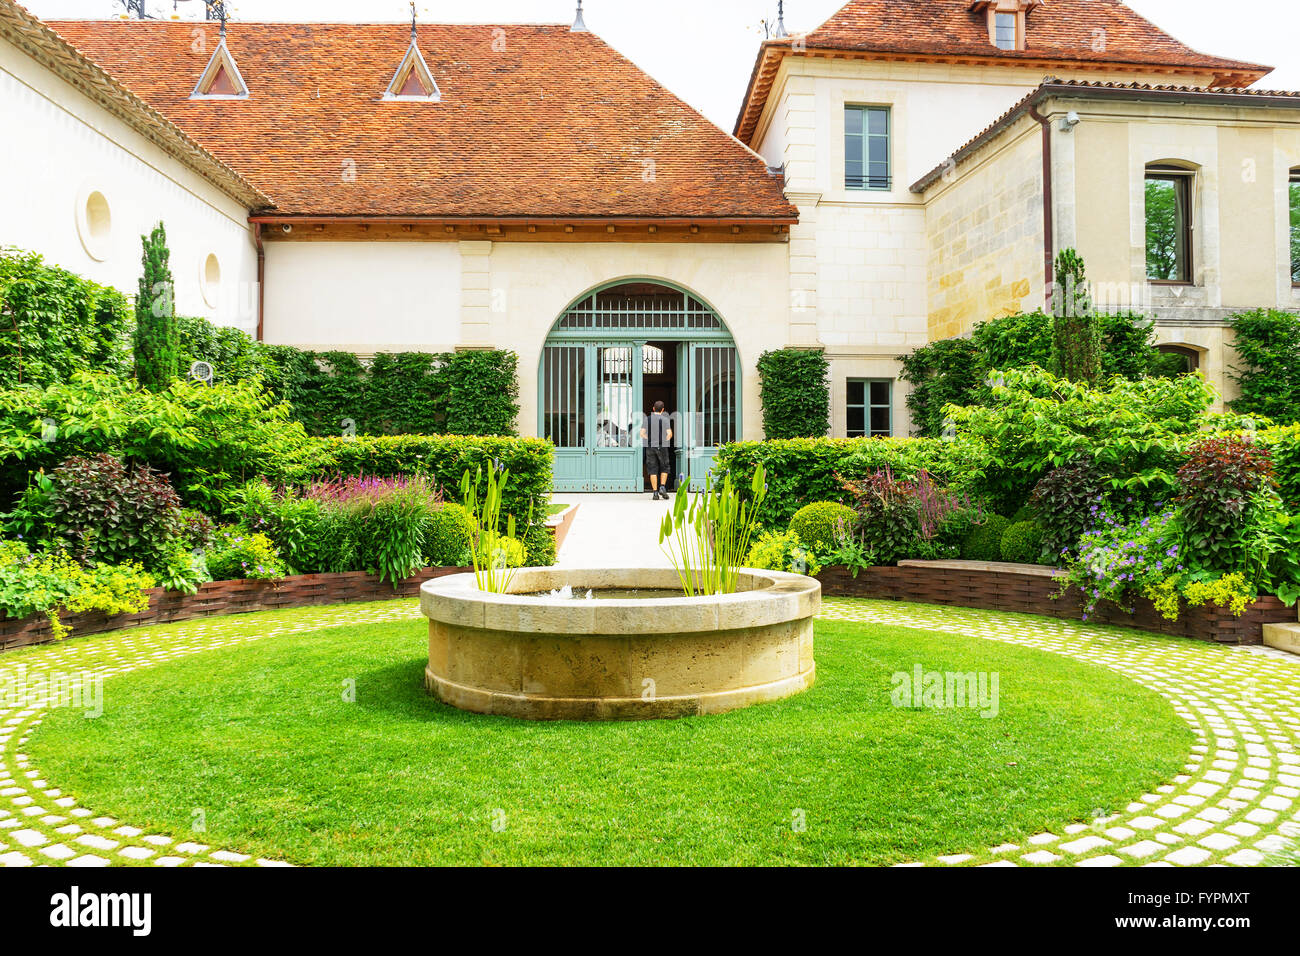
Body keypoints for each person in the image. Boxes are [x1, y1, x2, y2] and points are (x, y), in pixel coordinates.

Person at [641, 401, 673, 500]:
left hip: (650, 447)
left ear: (653, 408)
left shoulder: (647, 419)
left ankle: (655, 493)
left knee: (652, 469)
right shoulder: (665, 419)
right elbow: (669, 434)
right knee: (664, 467)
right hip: (662, 446)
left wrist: (648, 439)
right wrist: (664, 440)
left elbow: (642, 433)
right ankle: (662, 487)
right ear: (663, 410)